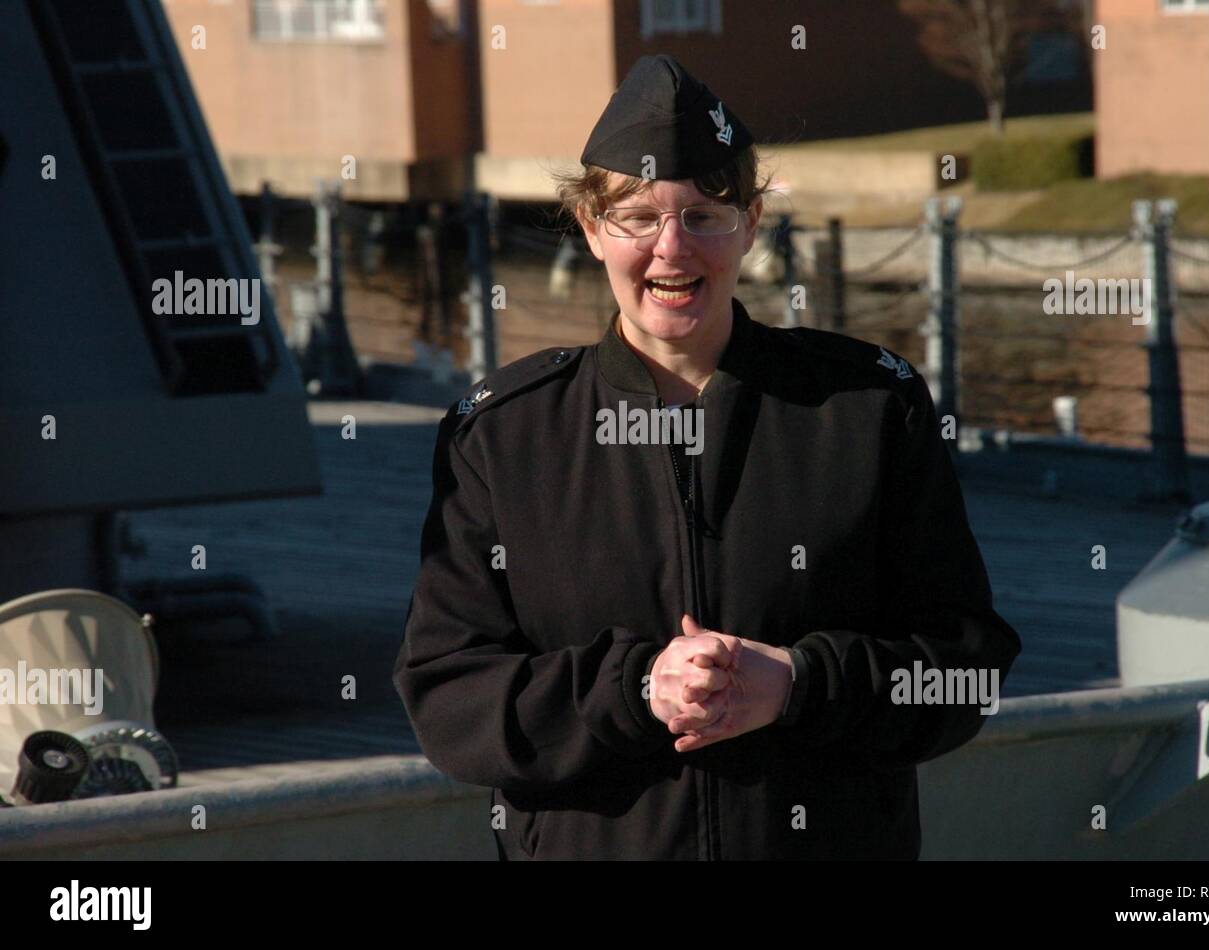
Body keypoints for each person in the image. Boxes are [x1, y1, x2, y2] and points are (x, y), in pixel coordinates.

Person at [393, 54, 1021, 860]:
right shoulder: (504, 437)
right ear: (589, 227)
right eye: (637, 217)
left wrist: (799, 684)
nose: (671, 251)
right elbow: (447, 697)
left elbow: (967, 668)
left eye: (703, 216)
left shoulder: (866, 411)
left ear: (751, 223)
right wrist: (636, 689)